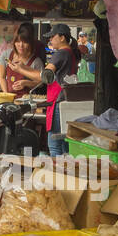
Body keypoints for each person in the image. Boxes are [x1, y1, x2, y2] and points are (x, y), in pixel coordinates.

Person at [40, 23, 78, 156]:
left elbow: (45, 75)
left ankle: (57, 174)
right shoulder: (70, 53)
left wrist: (21, 69)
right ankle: (66, 174)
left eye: (52, 36)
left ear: (62, 38)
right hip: (65, 101)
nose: (50, 40)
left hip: (57, 100)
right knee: (64, 145)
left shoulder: (61, 53)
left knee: (55, 145)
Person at [0, 23, 44, 95]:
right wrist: (6, 94)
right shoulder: (6, 55)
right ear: (14, 42)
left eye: (25, 42)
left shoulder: (36, 61)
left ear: (30, 43)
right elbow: (2, 77)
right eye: (18, 41)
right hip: (8, 97)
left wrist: (26, 83)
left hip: (26, 99)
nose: (21, 45)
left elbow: (41, 83)